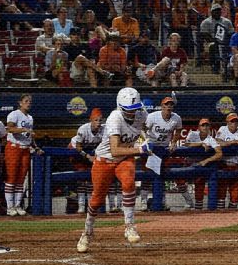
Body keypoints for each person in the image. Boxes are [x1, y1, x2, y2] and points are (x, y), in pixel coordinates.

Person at [77, 88, 149, 253]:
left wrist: (148, 141)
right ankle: (87, 232)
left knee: (129, 183)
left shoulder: (141, 113)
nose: (132, 113)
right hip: (105, 159)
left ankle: (129, 226)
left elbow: (145, 128)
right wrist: (141, 149)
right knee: (96, 199)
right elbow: (115, 150)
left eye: (134, 109)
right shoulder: (114, 118)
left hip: (125, 158)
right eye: (128, 110)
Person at [140, 97, 185, 211]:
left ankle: (162, 201)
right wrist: (146, 141)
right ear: (162, 106)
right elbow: (142, 128)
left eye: (171, 104)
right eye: (166, 104)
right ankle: (143, 202)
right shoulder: (153, 116)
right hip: (151, 148)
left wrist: (174, 142)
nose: (169, 106)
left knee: (162, 176)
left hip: (164, 149)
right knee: (147, 176)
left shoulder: (176, 118)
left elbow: (179, 129)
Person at [4, 94, 39, 216]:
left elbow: (29, 136)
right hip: (14, 147)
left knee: (21, 178)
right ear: (20, 102)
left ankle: (18, 205)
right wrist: (24, 130)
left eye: (30, 101)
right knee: (12, 177)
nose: (28, 103)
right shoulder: (14, 114)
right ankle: (10, 206)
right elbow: (10, 129)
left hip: (25, 148)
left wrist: (35, 146)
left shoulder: (30, 117)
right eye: (26, 101)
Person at [215, 112, 238, 209]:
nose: (234, 123)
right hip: (224, 164)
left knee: (235, 193)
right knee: (221, 191)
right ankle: (220, 215)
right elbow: (217, 142)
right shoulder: (223, 129)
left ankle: (232, 213)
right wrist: (234, 142)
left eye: (236, 121)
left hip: (236, 164)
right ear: (227, 122)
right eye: (232, 121)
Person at [69, 108, 104, 214]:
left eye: (100, 120)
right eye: (95, 120)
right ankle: (81, 205)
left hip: (91, 152)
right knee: (81, 178)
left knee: (90, 180)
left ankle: (89, 205)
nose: (98, 123)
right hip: (76, 151)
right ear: (91, 120)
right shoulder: (83, 129)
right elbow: (78, 146)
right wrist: (88, 156)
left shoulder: (104, 129)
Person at [183, 118, 222, 210]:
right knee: (179, 181)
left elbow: (219, 153)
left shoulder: (211, 139)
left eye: (207, 125)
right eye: (203, 125)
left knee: (200, 184)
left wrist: (206, 160)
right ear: (199, 127)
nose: (205, 127)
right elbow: (186, 144)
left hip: (199, 164)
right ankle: (188, 201)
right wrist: (200, 144)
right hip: (188, 163)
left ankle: (198, 208)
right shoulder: (193, 134)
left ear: (209, 127)